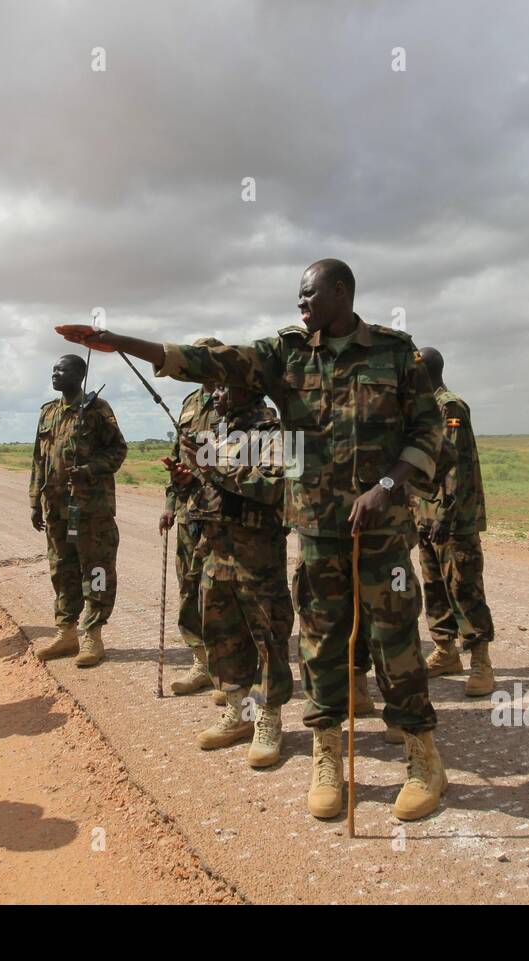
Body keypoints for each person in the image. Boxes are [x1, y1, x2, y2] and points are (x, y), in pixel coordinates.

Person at [56, 258, 448, 822]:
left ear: (341, 292)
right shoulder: (284, 354)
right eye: (298, 298)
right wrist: (118, 341)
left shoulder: (393, 352)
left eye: (309, 295)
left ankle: (422, 756)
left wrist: (388, 485)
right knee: (320, 641)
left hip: (381, 531)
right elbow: (210, 359)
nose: (301, 305)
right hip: (316, 530)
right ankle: (325, 754)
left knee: (396, 641)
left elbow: (427, 430)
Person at [176, 382, 294, 765]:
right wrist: (188, 481)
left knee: (267, 638)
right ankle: (239, 712)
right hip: (215, 549)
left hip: (256, 554)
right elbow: (212, 486)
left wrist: (217, 468)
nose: (216, 396)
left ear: (249, 390)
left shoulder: (275, 430)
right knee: (223, 635)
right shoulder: (220, 430)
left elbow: (279, 487)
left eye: (225, 388)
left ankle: (267, 719)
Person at [29, 355, 128, 667]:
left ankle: (93, 635)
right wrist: (35, 501)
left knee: (96, 571)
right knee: (62, 569)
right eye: (53, 369)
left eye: (62, 369)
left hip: (91, 509)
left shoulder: (97, 409)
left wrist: (89, 469)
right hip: (56, 509)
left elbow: (118, 450)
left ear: (80, 374)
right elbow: (37, 461)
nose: (55, 374)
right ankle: (66, 633)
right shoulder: (47, 412)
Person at [410, 347, 495, 694]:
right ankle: (445, 651)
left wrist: (445, 512)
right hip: (426, 514)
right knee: (434, 586)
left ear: (427, 372)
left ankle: (480, 660)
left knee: (464, 585)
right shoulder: (422, 407)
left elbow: (454, 465)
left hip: (452, 517)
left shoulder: (449, 406)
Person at [161, 338, 224, 695]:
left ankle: (227, 668)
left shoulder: (235, 400)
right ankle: (201, 661)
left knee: (220, 592)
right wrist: (170, 503)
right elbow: (177, 457)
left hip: (220, 512)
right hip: (188, 510)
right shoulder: (189, 403)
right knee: (190, 587)